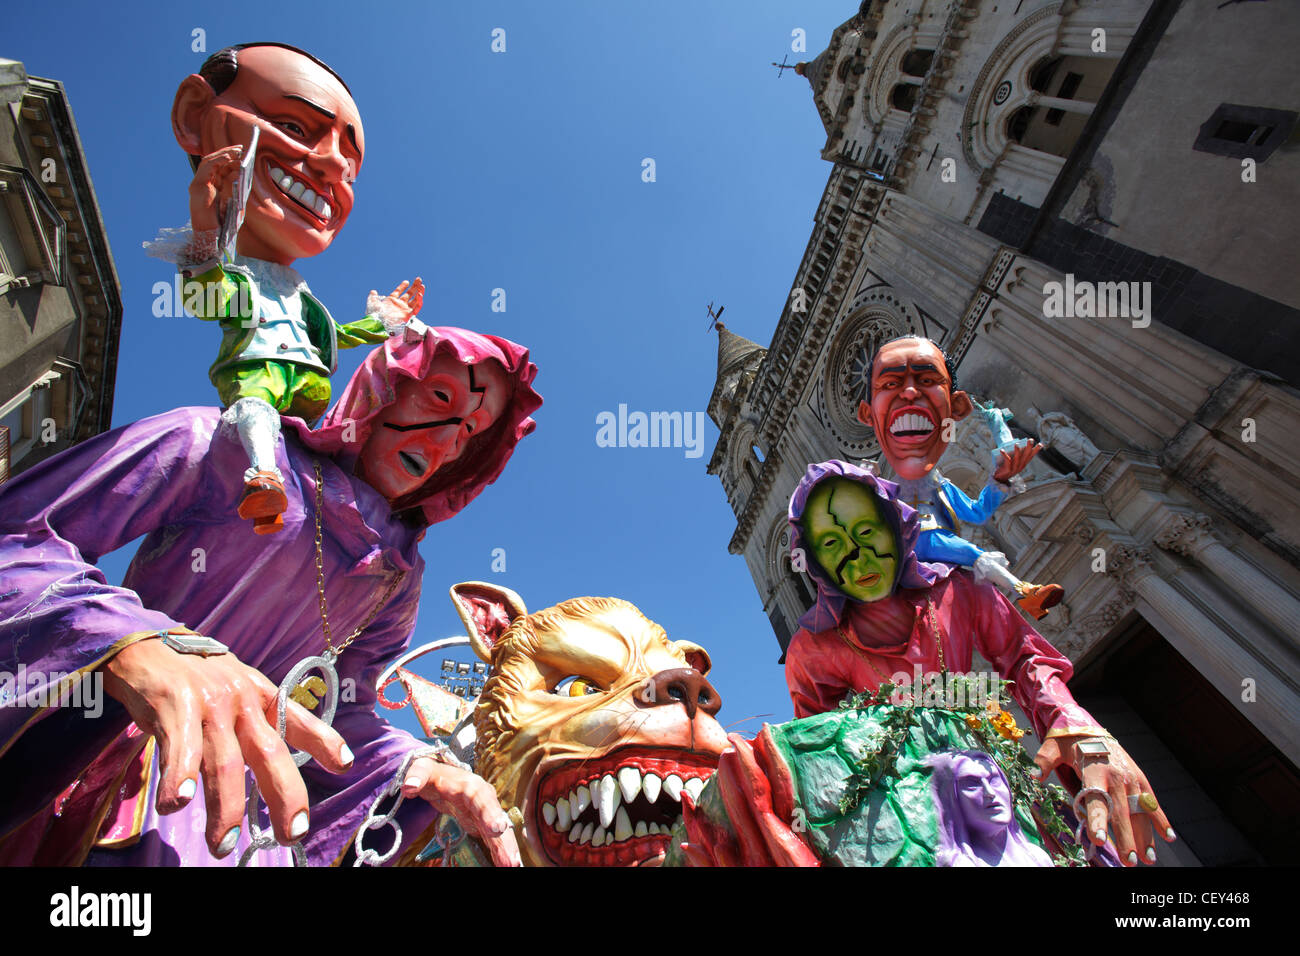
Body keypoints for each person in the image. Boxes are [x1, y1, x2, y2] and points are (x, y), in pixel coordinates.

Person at [0, 323, 542, 867]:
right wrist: (133, 644)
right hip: (100, 764)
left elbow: (339, 709)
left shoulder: (395, 579)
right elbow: (18, 534)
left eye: (471, 432)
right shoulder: (228, 449)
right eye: (441, 398)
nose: (447, 441)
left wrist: (416, 767)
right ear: (384, 385)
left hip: (236, 826)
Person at [783, 460, 1176, 866]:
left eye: (866, 532)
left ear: (895, 526)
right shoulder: (812, 651)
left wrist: (1078, 728)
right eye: (831, 544)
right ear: (813, 562)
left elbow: (1025, 659)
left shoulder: (960, 590)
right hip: (913, 821)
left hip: (998, 784)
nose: (857, 556)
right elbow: (821, 764)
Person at [148, 42, 424, 533]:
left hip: (307, 382)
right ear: (196, 115)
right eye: (294, 126)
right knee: (254, 408)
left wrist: (383, 322)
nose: (336, 167)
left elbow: (332, 336)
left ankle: (317, 501)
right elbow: (206, 296)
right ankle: (262, 478)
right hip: (258, 371)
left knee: (323, 444)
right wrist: (203, 219)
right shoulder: (241, 278)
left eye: (352, 166)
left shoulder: (299, 292)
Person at [855, 335, 1063, 618]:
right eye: (890, 385)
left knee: (974, 557)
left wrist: (1000, 480)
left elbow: (976, 514)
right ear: (867, 414)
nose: (909, 394)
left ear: (957, 406)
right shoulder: (882, 491)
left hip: (935, 540)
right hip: (905, 554)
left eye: (927, 380)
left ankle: (1026, 593)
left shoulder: (939, 484)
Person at [925, 750, 1053, 867]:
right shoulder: (960, 864)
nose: (990, 792)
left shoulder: (1038, 857)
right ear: (953, 800)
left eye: (994, 780)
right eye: (972, 785)